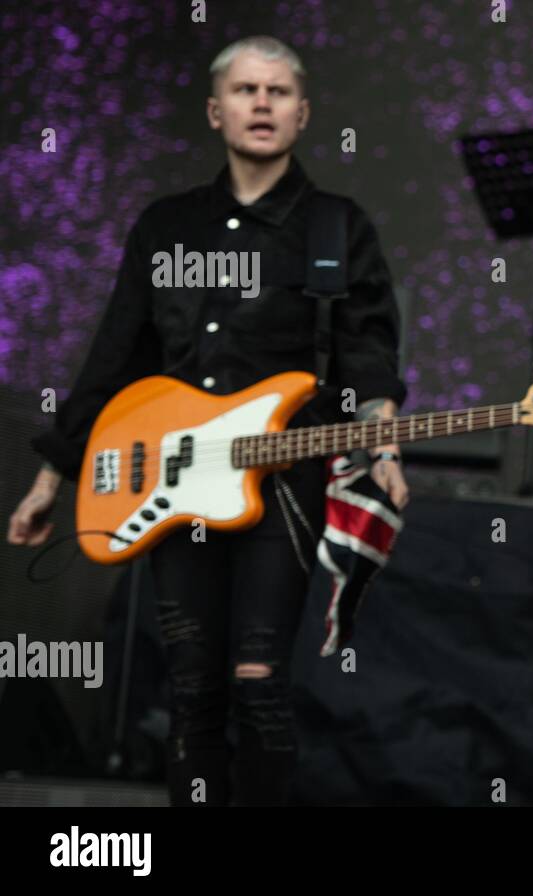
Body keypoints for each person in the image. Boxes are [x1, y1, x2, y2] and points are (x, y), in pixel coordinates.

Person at [6, 36, 408, 806]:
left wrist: (382, 436)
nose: (262, 103)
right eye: (247, 90)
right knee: (193, 689)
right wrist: (51, 476)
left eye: (280, 91)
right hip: (173, 478)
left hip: (284, 476)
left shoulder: (334, 226)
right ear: (215, 110)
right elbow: (114, 352)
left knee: (258, 680)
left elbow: (369, 350)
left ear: (304, 114)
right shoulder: (166, 225)